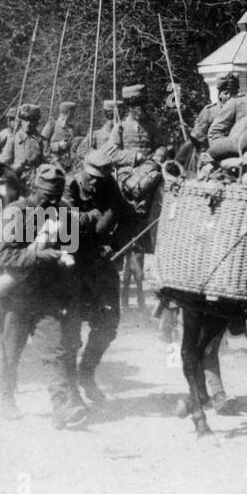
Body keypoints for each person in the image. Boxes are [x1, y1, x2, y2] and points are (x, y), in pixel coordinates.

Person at [0, 164, 86, 428]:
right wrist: (39, 255)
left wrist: (66, 257)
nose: (52, 202)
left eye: (56, 197)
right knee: (10, 354)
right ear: (35, 189)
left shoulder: (63, 212)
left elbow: (71, 246)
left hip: (47, 295)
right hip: (16, 296)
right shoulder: (16, 213)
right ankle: (7, 399)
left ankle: (61, 408)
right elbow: (7, 256)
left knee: (54, 352)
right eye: (47, 197)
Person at [63, 144, 138, 406]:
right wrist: (95, 216)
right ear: (84, 170)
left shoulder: (108, 185)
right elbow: (64, 221)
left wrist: (115, 243)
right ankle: (69, 386)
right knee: (68, 327)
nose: (96, 183)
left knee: (108, 323)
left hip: (97, 259)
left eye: (102, 178)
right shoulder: (69, 184)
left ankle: (87, 373)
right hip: (68, 256)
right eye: (92, 177)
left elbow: (127, 214)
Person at [112, 84, 158, 167]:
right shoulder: (120, 127)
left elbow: (160, 145)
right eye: (138, 107)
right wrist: (134, 156)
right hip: (127, 171)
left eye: (143, 106)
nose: (142, 110)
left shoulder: (152, 126)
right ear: (130, 107)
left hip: (151, 168)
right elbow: (113, 153)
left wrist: (160, 153)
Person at [0, 103, 46, 176]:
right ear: (21, 121)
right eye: (25, 119)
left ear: (37, 122)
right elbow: (4, 162)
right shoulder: (13, 139)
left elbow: (47, 160)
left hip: (37, 178)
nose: (28, 123)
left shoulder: (41, 140)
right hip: (17, 178)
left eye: (32, 120)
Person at [41, 100, 79, 169]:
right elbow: (42, 144)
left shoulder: (72, 128)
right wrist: (58, 145)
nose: (74, 115)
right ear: (69, 113)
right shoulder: (52, 124)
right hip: (52, 161)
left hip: (68, 162)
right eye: (73, 112)